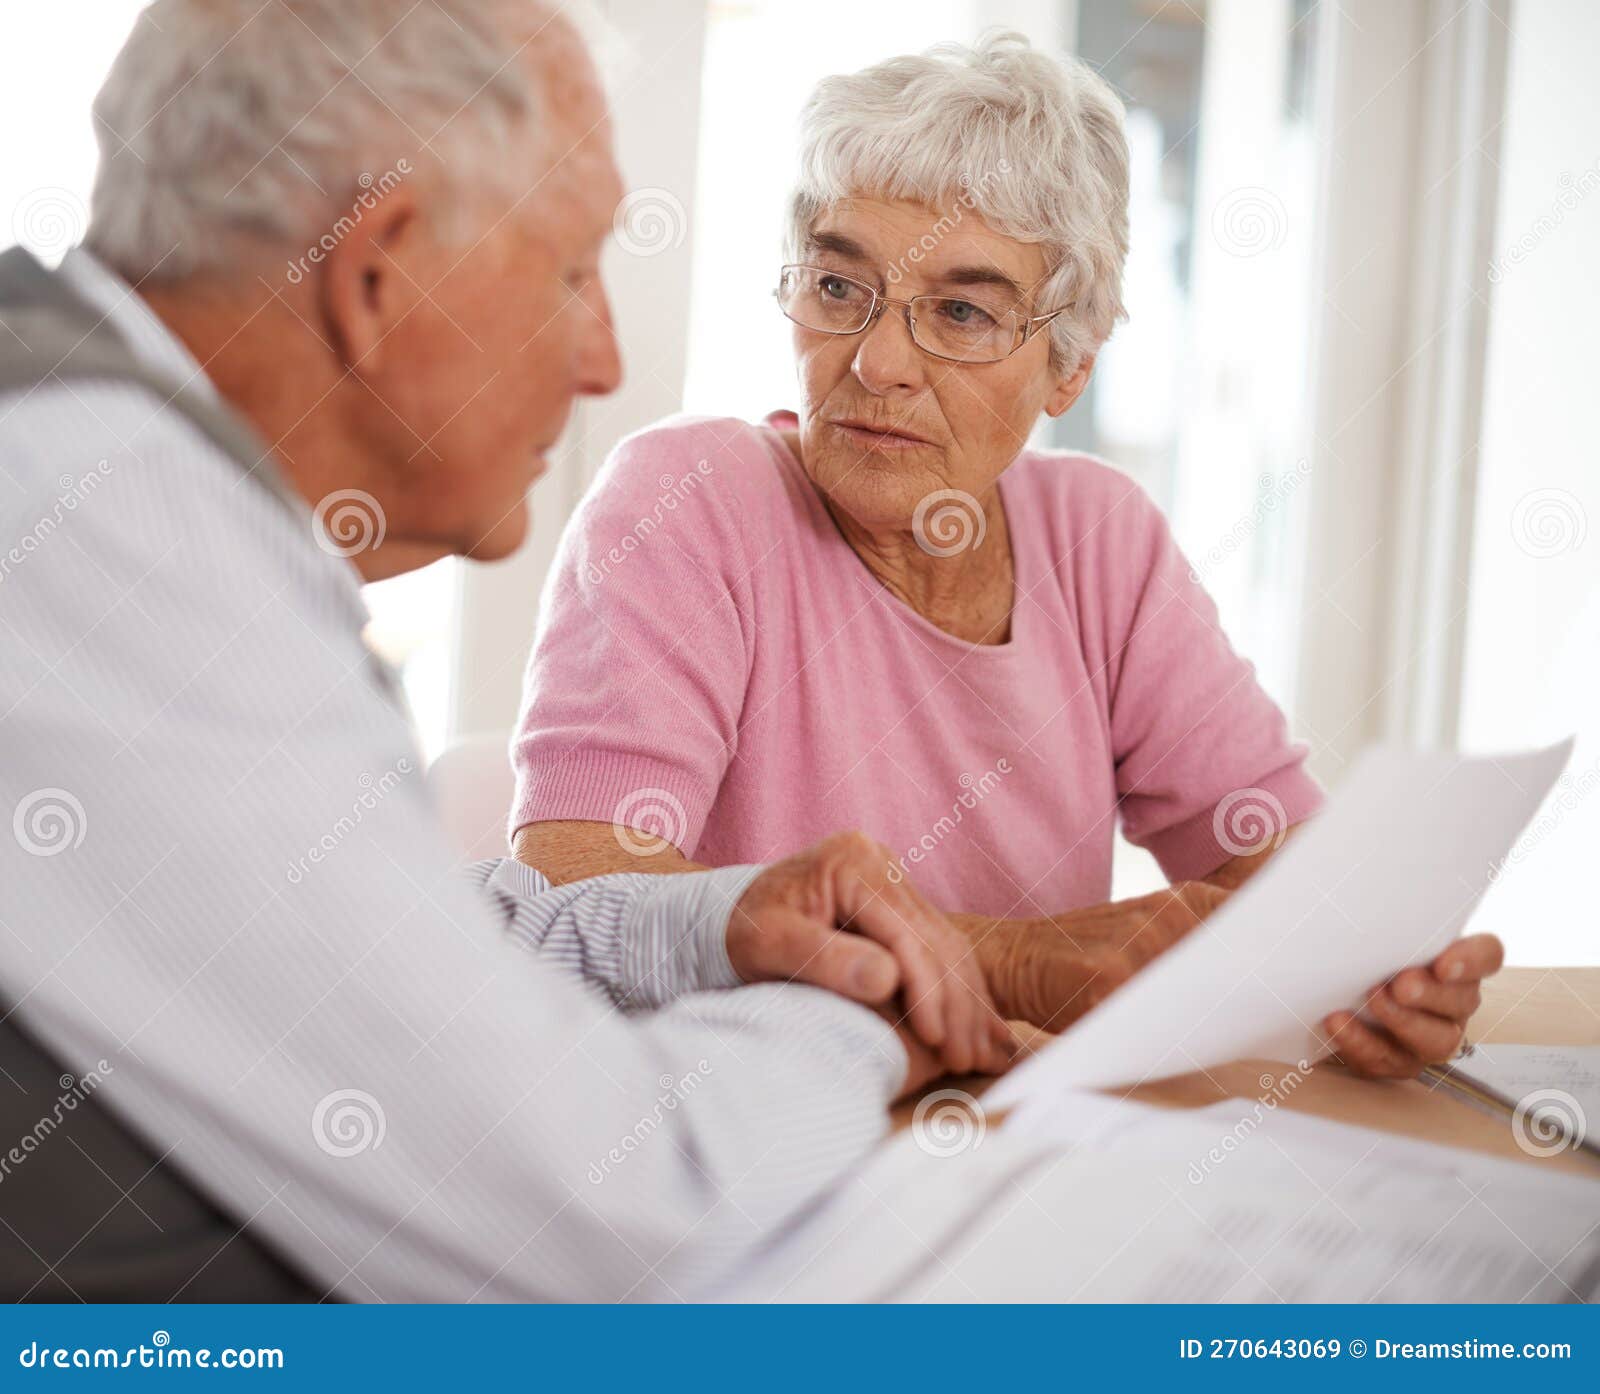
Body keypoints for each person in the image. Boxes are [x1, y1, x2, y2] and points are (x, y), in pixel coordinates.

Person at [0, 0, 1011, 1303]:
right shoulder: (107, 521)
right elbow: (622, 1215)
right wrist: (858, 1022)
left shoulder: (96, 459)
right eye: (573, 273)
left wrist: (720, 928)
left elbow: (385, 937)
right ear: (380, 275)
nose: (605, 361)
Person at [509, 33, 1503, 1076]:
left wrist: (1371, 972)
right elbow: (577, 900)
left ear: (1066, 364)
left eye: (962, 312)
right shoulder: (689, 501)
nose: (879, 363)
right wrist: (1010, 959)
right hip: (737, 1149)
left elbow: (1272, 861)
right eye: (840, 288)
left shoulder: (1097, 538)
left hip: (1013, 1146)